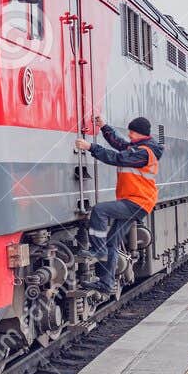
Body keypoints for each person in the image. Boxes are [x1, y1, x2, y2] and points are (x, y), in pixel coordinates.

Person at [76, 117, 163, 293]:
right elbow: (119, 144)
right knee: (113, 242)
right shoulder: (137, 148)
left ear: (140, 134)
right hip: (135, 201)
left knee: (99, 210)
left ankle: (98, 250)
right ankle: (106, 284)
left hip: (137, 202)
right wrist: (104, 127)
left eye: (132, 131)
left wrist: (90, 147)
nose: (129, 134)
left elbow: (117, 157)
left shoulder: (144, 153)